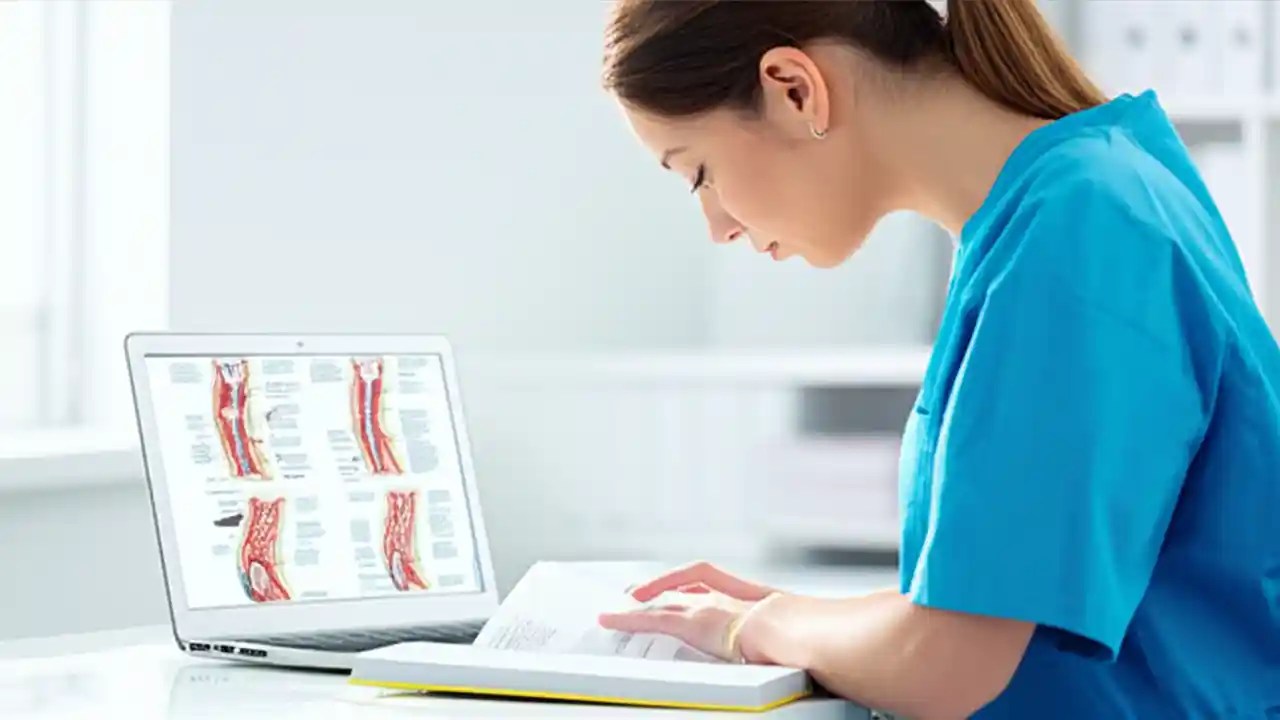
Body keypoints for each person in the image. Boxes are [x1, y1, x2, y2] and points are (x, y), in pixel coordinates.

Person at [593, 1, 1280, 718]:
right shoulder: (1076, 197)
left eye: (697, 172)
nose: (717, 227)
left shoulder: (1079, 231)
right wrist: (796, 614)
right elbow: (997, 606)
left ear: (795, 89)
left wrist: (753, 629)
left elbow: (952, 664)